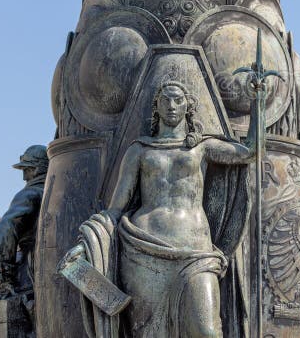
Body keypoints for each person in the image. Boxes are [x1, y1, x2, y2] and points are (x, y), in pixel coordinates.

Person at [61, 80, 258, 338]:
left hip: (195, 250)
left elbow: (251, 152)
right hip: (143, 250)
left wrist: (258, 103)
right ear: (157, 107)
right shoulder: (140, 150)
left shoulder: (202, 147)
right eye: (165, 99)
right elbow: (116, 208)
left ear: (188, 106)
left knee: (207, 331)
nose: (172, 106)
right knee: (148, 334)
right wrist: (85, 243)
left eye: (178, 100)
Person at [0, 144, 49, 332]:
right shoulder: (58, 193)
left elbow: (4, 229)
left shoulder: (30, 193)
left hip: (28, 273)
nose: (24, 176)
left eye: (28, 169)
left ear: (38, 169)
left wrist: (2, 278)